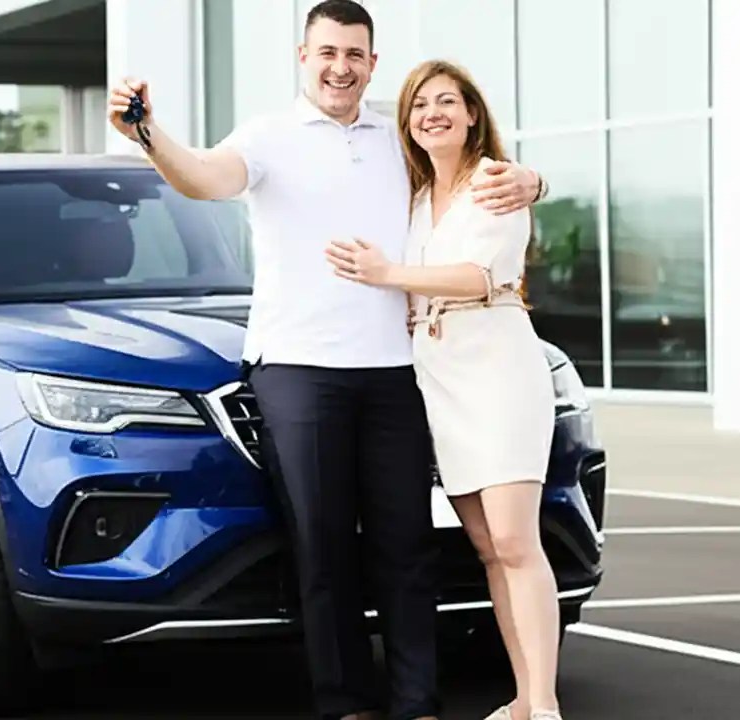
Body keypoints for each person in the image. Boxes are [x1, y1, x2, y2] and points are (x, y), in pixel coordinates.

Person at [106, 2, 547, 719]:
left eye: (355, 54)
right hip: (299, 368)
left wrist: (532, 182)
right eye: (327, 53)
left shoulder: (396, 136)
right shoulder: (268, 135)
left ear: (373, 63)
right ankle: (346, 703)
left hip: (397, 371)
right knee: (324, 545)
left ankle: (417, 703)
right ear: (302, 57)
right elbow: (204, 178)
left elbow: (461, 182)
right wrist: (150, 135)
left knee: (407, 547)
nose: (340, 66)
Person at [323, 59, 563, 720]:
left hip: (497, 370)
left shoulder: (493, 181)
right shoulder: (417, 194)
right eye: (419, 105)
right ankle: (522, 701)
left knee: (517, 542)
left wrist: (386, 273)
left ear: (472, 114)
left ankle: (543, 706)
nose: (432, 113)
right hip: (442, 380)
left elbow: (476, 276)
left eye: (446, 102)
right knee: (489, 549)